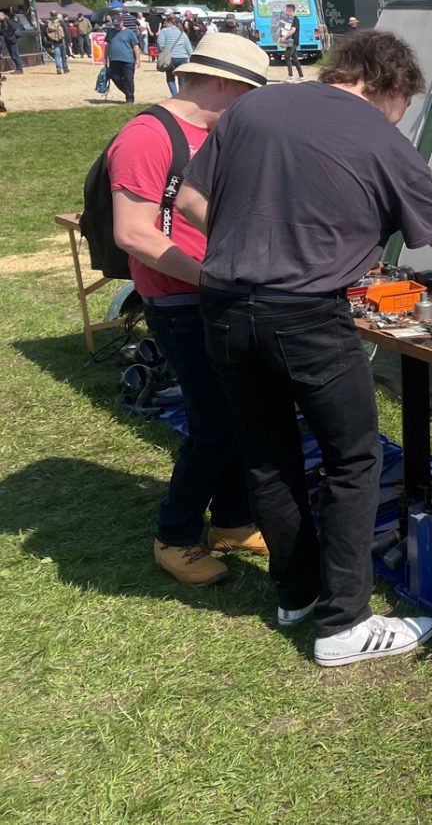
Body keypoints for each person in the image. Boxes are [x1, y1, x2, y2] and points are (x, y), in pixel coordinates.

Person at [175, 29, 432, 666]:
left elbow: (191, 199)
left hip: (223, 305)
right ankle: (344, 623)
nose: (402, 118)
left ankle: (297, 593)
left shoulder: (254, 107)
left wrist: (253, 239)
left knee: (267, 454)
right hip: (306, 316)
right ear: (389, 87)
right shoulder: (383, 139)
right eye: (404, 107)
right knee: (354, 460)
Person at [108, 35, 273, 584]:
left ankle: (231, 520)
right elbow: (132, 232)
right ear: (225, 83)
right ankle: (174, 536)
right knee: (212, 424)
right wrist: (213, 277)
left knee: (235, 416)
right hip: (181, 300)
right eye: (249, 91)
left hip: (218, 293)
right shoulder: (147, 136)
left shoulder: (212, 132)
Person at [105, 18, 142, 103]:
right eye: (115, 25)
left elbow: (135, 46)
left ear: (122, 22)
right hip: (114, 60)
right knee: (114, 77)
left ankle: (130, 98)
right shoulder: (110, 32)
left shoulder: (129, 32)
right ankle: (128, 93)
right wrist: (105, 57)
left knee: (128, 79)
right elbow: (108, 45)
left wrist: (138, 59)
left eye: (118, 24)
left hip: (128, 60)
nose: (116, 26)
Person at [157, 14, 194, 97]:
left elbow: (160, 43)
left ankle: (174, 95)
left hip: (170, 58)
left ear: (169, 22)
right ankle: (181, 97)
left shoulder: (164, 31)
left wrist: (164, 51)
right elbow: (188, 48)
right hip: (182, 58)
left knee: (170, 78)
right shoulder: (182, 33)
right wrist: (192, 59)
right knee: (182, 79)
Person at [277, 3, 303, 80]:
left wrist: (284, 38)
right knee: (294, 59)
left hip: (293, 41)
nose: (286, 12)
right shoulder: (291, 20)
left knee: (287, 56)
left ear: (290, 10)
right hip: (291, 41)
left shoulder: (295, 19)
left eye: (287, 10)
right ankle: (301, 76)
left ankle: (290, 76)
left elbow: (293, 30)